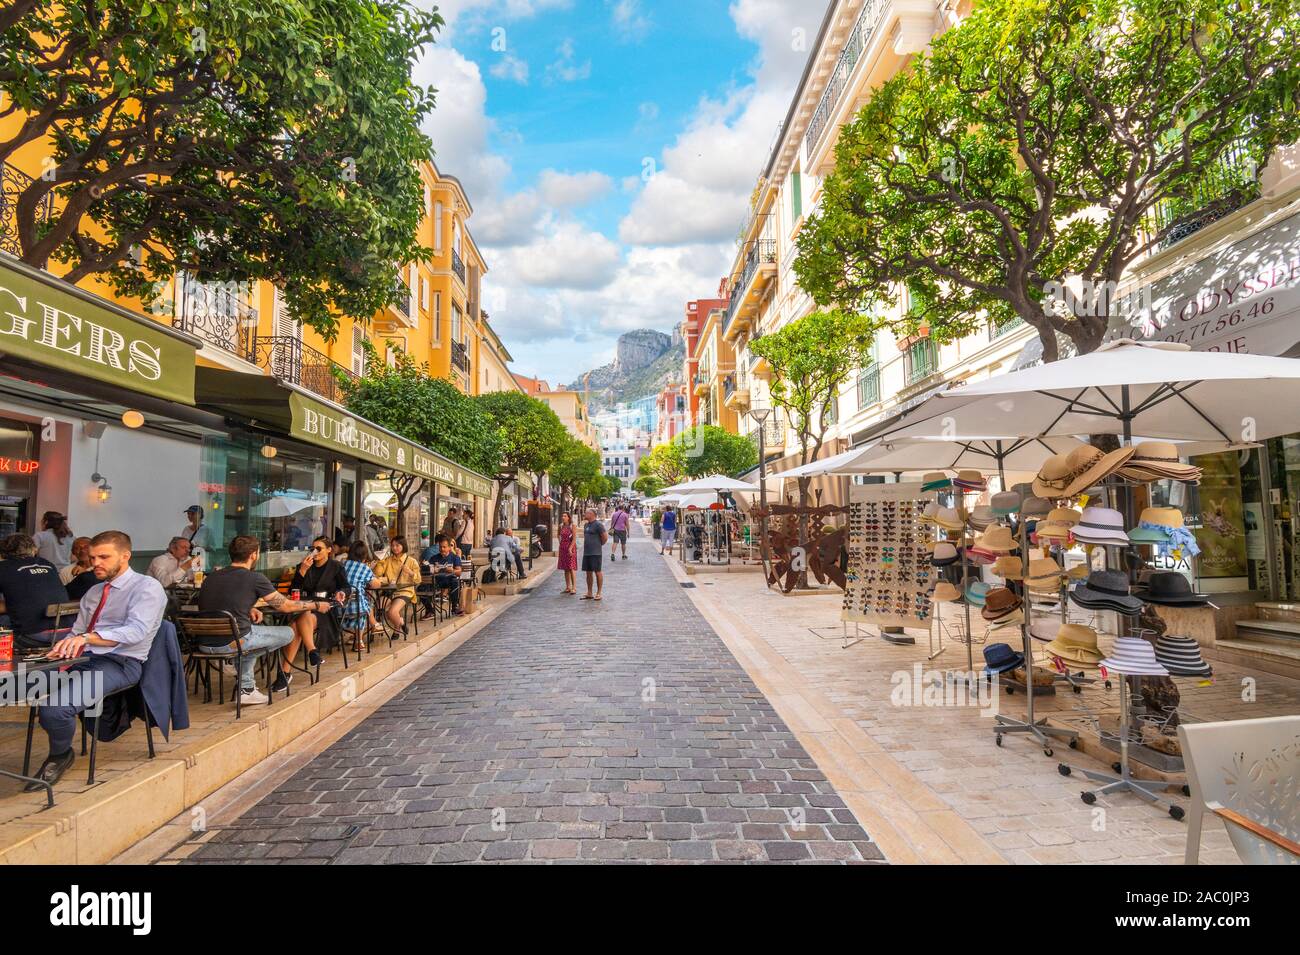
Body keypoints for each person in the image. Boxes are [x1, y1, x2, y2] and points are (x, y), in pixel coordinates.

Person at [27, 530, 167, 790]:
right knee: (11, 684)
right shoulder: (94, 592)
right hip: (80, 659)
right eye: (92, 557)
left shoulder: (146, 587)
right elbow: (78, 631)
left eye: (104, 557)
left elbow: (136, 632)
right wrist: (62, 646)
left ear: (125, 556)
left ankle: (60, 755)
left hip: (120, 663)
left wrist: (88, 639)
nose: (96, 563)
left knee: (55, 709)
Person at [197, 535, 326, 702]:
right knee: (288, 633)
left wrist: (249, 607)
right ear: (253, 555)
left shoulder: (211, 577)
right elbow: (286, 606)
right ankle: (245, 685)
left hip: (205, 644)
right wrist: (315, 606)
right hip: (234, 642)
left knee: (248, 640)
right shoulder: (255, 578)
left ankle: (246, 688)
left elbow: (221, 600)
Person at [0, 533, 69, 648]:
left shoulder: (3, 568)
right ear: (33, 549)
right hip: (64, 633)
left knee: (4, 620)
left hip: (32, 636)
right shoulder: (48, 564)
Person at [289, 535, 349, 667]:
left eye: (318, 549)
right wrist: (302, 571)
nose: (314, 552)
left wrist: (341, 592)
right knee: (300, 619)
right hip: (305, 604)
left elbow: (346, 586)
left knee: (296, 625)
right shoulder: (304, 565)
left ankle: (285, 672)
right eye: (312, 549)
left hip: (326, 607)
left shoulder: (336, 566)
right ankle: (312, 652)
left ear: (329, 550)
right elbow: (293, 591)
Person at [371, 535, 421, 633]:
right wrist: (380, 560)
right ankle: (400, 622)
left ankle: (396, 629)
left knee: (392, 612)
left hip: (405, 591)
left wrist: (410, 572)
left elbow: (418, 580)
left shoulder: (411, 561)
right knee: (376, 608)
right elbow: (377, 574)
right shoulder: (388, 560)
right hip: (389, 591)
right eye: (393, 545)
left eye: (397, 545)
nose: (394, 548)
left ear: (403, 546)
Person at [341, 540, 382, 650]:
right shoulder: (364, 568)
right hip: (356, 608)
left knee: (364, 603)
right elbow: (376, 585)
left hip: (338, 607)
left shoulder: (342, 564)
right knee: (364, 605)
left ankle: (372, 627)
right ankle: (359, 640)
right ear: (364, 555)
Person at [424, 536, 464, 615]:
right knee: (420, 588)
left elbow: (459, 572)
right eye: (440, 547)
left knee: (455, 582)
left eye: (444, 547)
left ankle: (454, 607)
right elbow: (427, 569)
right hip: (435, 581)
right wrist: (432, 569)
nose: (442, 549)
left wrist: (452, 570)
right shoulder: (434, 558)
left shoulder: (454, 557)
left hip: (447, 581)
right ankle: (430, 610)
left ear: (449, 547)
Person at [581, 507, 607, 601]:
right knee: (588, 573)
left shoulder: (598, 525)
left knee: (597, 572)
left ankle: (599, 593)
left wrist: (598, 545)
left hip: (595, 553)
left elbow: (605, 538)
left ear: (591, 515)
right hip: (587, 553)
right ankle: (589, 592)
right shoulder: (586, 525)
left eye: (586, 513)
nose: (584, 514)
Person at [556, 512, 578, 595]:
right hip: (563, 547)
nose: (563, 517)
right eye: (562, 515)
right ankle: (568, 587)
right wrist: (560, 542)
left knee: (571, 567)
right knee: (565, 568)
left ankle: (574, 587)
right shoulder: (561, 526)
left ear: (568, 517)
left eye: (565, 516)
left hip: (571, 547)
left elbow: (574, 538)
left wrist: (570, 548)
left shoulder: (573, 526)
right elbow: (558, 535)